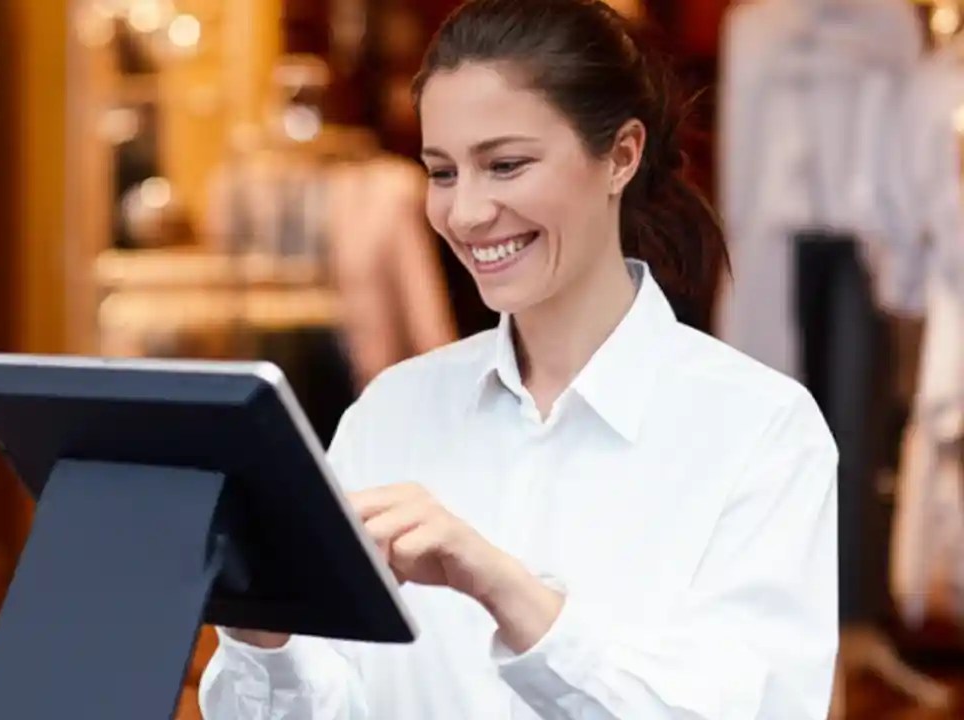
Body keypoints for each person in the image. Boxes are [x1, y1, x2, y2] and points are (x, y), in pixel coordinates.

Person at [198, 0, 839, 717]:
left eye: (505, 165)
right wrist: (266, 633)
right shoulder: (390, 412)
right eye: (442, 173)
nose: (467, 213)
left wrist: (507, 590)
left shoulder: (761, 431)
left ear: (621, 156)